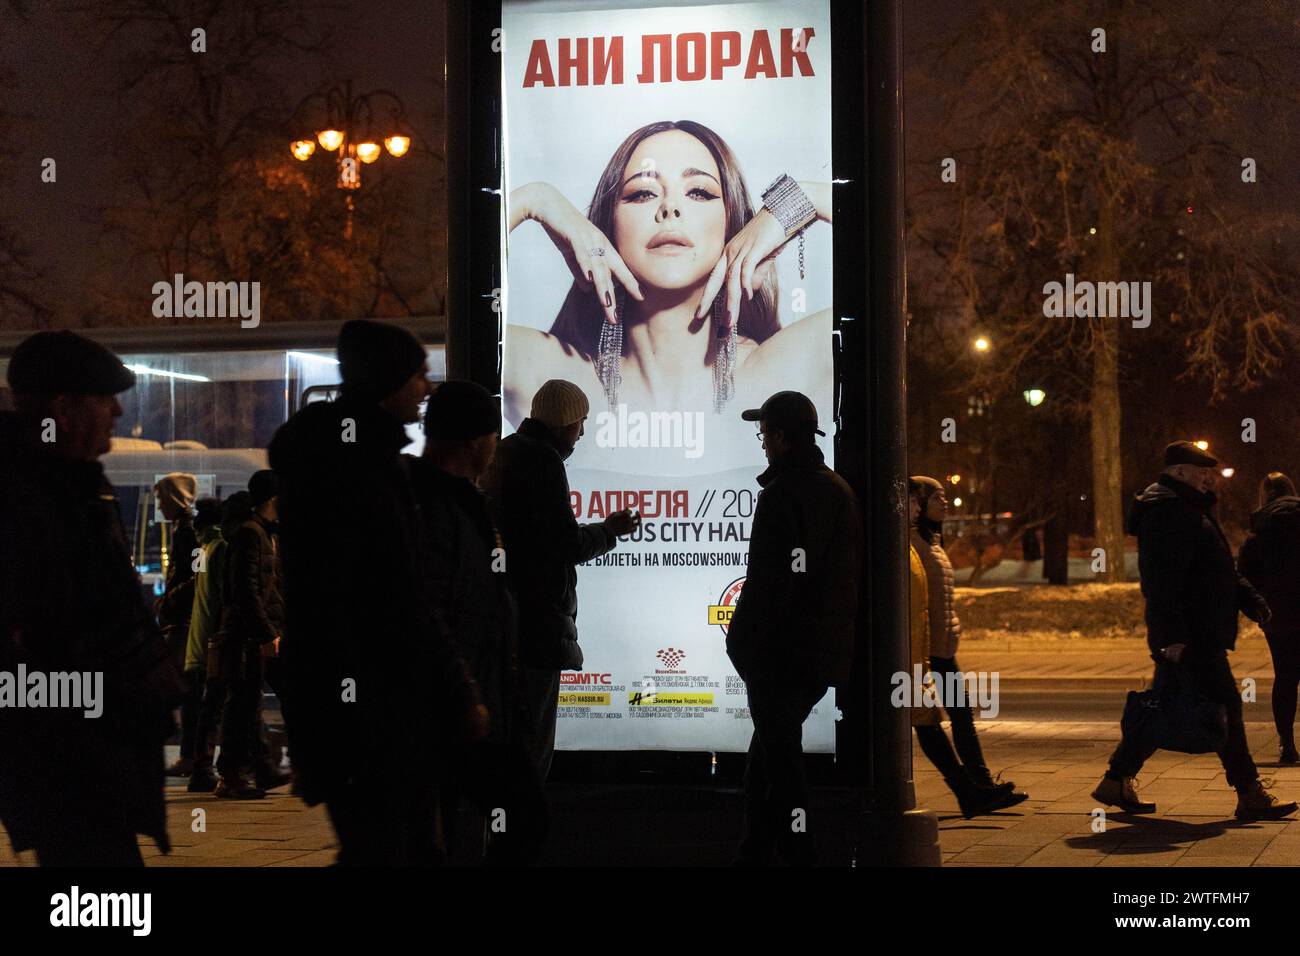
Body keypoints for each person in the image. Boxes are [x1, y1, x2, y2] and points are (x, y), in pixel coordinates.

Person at [269, 318, 486, 865]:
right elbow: (400, 595)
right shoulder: (364, 470)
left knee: (382, 844)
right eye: (418, 376)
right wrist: (458, 691)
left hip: (349, 702)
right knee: (395, 846)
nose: (427, 389)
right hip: (378, 704)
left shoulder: (342, 460)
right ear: (388, 382)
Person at [505, 120, 834, 421]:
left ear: (731, 224)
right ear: (607, 227)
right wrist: (534, 199)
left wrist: (800, 199)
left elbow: (886, 288)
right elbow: (459, 321)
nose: (669, 207)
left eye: (699, 192)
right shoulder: (548, 377)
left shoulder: (788, 370)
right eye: (643, 193)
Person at [0, 330, 184, 866]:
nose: (119, 412)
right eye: (106, 399)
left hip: (96, 749)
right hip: (71, 756)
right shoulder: (31, 498)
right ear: (63, 406)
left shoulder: (73, 488)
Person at [1092, 441, 1297, 820]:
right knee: (1227, 707)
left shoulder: (1187, 509)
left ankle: (1116, 778)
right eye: (1201, 471)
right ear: (1180, 472)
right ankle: (1249, 792)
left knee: (1161, 709)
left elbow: (1218, 569)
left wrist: (1250, 599)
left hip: (1196, 633)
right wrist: (1171, 637)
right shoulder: (1167, 514)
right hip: (1190, 636)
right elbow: (1161, 583)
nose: (1208, 477)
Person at [412, 380, 549, 865]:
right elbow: (429, 612)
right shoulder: (435, 507)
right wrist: (465, 695)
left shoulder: (462, 501)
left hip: (476, 700)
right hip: (454, 706)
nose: (496, 447)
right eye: (492, 436)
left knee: (500, 820)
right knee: (518, 816)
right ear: (473, 440)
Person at [724, 391, 859, 866]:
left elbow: (769, 584)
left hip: (780, 658)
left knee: (780, 770)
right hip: (815, 657)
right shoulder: (835, 489)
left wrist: (741, 645)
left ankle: (797, 855)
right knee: (767, 767)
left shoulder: (785, 493)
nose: (761, 443)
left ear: (780, 437)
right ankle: (755, 853)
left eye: (764, 434)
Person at [480, 379, 638, 780]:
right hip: (537, 626)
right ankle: (520, 833)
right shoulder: (543, 462)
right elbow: (563, 544)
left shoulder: (507, 453)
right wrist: (608, 531)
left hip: (505, 622)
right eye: (580, 423)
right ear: (564, 423)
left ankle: (500, 832)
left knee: (510, 744)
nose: (582, 433)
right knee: (532, 751)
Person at [907, 480, 1026, 817]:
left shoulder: (933, 543)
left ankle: (979, 787)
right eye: (936, 498)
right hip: (925, 654)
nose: (943, 503)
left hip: (940, 649)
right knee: (930, 722)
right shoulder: (913, 544)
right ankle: (973, 790)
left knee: (957, 718)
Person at [212, 470, 291, 799]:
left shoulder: (265, 533)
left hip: (262, 633)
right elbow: (245, 589)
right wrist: (264, 633)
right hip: (248, 637)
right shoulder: (250, 534)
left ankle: (256, 768)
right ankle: (231, 777)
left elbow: (269, 590)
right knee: (242, 704)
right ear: (273, 498)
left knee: (247, 703)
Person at [186, 492, 250, 793]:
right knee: (220, 703)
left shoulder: (204, 546)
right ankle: (222, 768)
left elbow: (199, 590)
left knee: (208, 706)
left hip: (199, 635)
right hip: (216, 635)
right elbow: (223, 595)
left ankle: (201, 768)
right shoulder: (223, 546)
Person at [1237, 472, 1300, 764]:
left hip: (1280, 616)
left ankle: (1287, 745)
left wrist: (1260, 607)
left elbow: (1244, 575)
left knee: (1285, 678)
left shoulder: (1261, 531)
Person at [169, 495, 220, 781]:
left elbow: (195, 583)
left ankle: (198, 761)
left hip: (195, 629)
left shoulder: (201, 542)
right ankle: (201, 762)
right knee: (211, 698)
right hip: (200, 630)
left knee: (204, 696)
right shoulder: (211, 545)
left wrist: (169, 601)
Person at [154, 472, 199, 776]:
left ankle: (192, 754)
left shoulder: (186, 530)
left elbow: (197, 576)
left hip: (185, 621)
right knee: (191, 688)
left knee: (186, 687)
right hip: (183, 619)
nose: (158, 504)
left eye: (160, 498)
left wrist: (170, 599)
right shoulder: (182, 527)